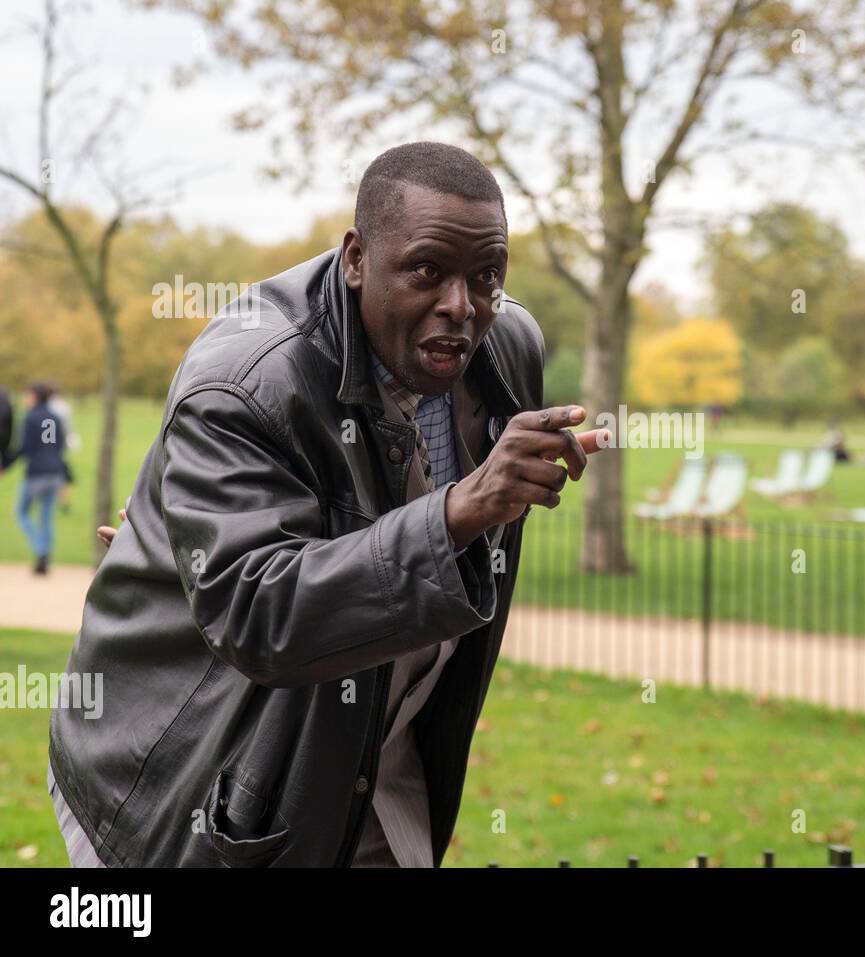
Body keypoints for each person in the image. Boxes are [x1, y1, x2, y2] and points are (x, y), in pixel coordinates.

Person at [47, 142, 608, 868]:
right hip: (188, 790)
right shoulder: (248, 378)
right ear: (355, 259)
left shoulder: (506, 348)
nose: (462, 306)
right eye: (427, 271)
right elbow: (260, 611)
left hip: (376, 764)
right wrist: (462, 508)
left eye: (487, 277)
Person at [1, 381, 67, 574]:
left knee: (21, 512)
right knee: (46, 517)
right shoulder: (56, 417)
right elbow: (59, 446)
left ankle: (41, 550)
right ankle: (45, 557)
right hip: (55, 472)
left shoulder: (30, 417)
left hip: (36, 473)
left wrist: (5, 465)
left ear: (34, 396)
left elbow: (25, 448)